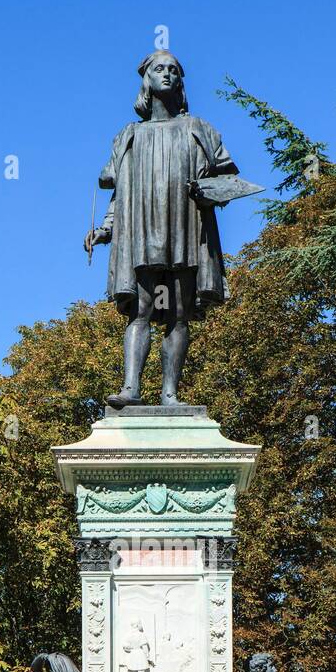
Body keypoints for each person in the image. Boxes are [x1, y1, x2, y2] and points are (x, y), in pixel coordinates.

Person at [84, 51, 239, 408]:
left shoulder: (199, 130)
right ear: (147, 80)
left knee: (179, 314)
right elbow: (119, 193)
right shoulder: (129, 137)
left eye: (173, 70)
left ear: (180, 81)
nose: (167, 74)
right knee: (141, 309)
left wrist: (209, 192)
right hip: (142, 233)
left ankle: (170, 394)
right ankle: (131, 389)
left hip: (185, 229)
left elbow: (228, 179)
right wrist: (105, 230)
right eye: (160, 69)